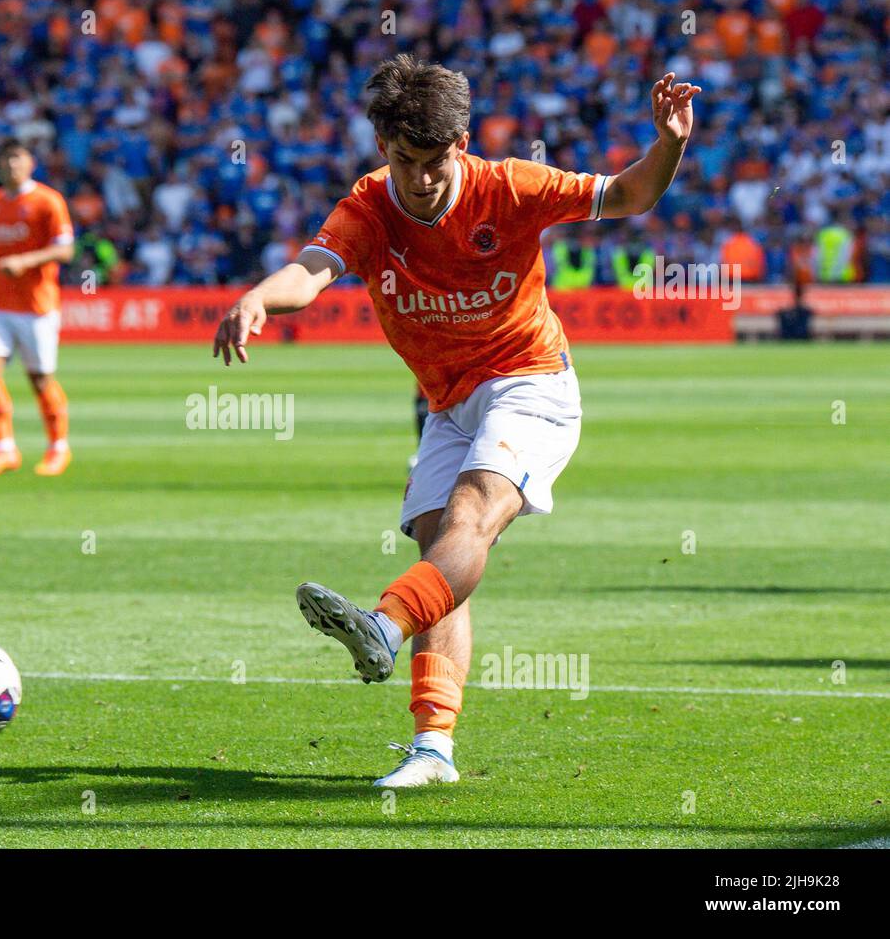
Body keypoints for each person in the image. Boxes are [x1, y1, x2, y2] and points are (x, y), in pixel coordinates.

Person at [213, 55, 700, 787]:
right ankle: (433, 749)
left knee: (472, 513)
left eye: (436, 161)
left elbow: (630, 194)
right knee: (441, 550)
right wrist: (259, 297)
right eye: (406, 161)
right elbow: (312, 269)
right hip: (448, 402)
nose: (422, 178)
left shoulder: (511, 188)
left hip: (530, 379)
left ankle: (382, 622)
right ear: (384, 150)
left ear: (462, 143)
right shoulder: (370, 206)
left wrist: (669, 143)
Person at [0, 140, 76, 477]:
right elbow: (0, 247)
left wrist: (25, 260)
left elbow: (65, 251)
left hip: (37, 305)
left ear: (30, 163)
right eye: (6, 160)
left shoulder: (48, 201)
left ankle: (58, 448)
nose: (12, 165)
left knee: (40, 378)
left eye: (17, 158)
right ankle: (4, 448)